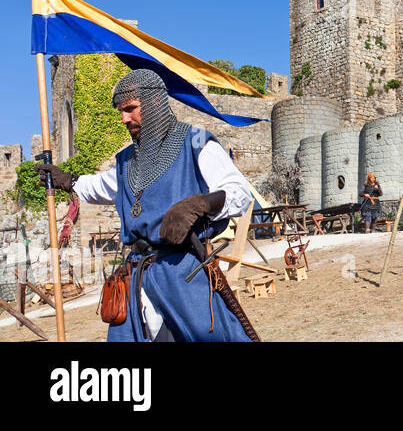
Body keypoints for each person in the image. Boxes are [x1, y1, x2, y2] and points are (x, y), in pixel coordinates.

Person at [36, 69, 255, 342]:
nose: (124, 118)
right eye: (121, 111)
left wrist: (201, 203)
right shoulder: (128, 160)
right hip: (137, 275)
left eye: (130, 109)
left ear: (154, 103)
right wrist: (68, 181)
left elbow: (239, 193)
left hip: (184, 272)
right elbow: (103, 186)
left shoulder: (195, 142)